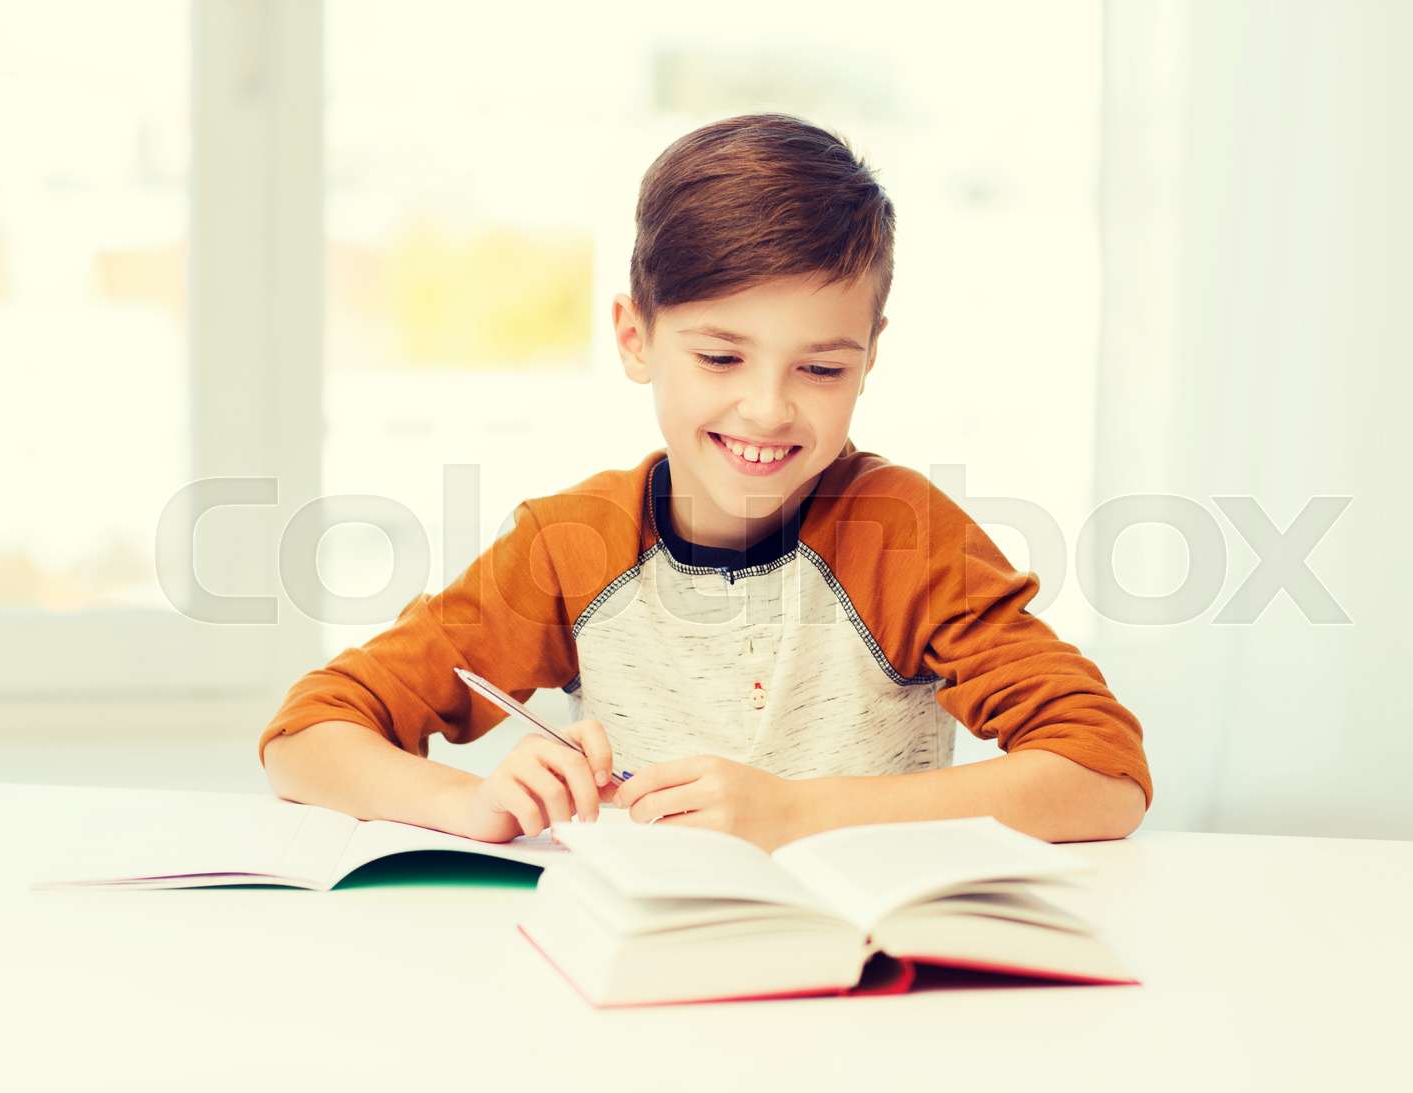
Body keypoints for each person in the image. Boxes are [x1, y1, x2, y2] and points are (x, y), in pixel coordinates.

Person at [260, 113, 1151, 851]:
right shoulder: (571, 546)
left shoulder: (904, 535)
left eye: (822, 369)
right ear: (635, 338)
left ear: (870, 356)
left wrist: (800, 814)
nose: (767, 409)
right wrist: (471, 802)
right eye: (721, 357)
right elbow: (306, 736)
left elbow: (1103, 773)